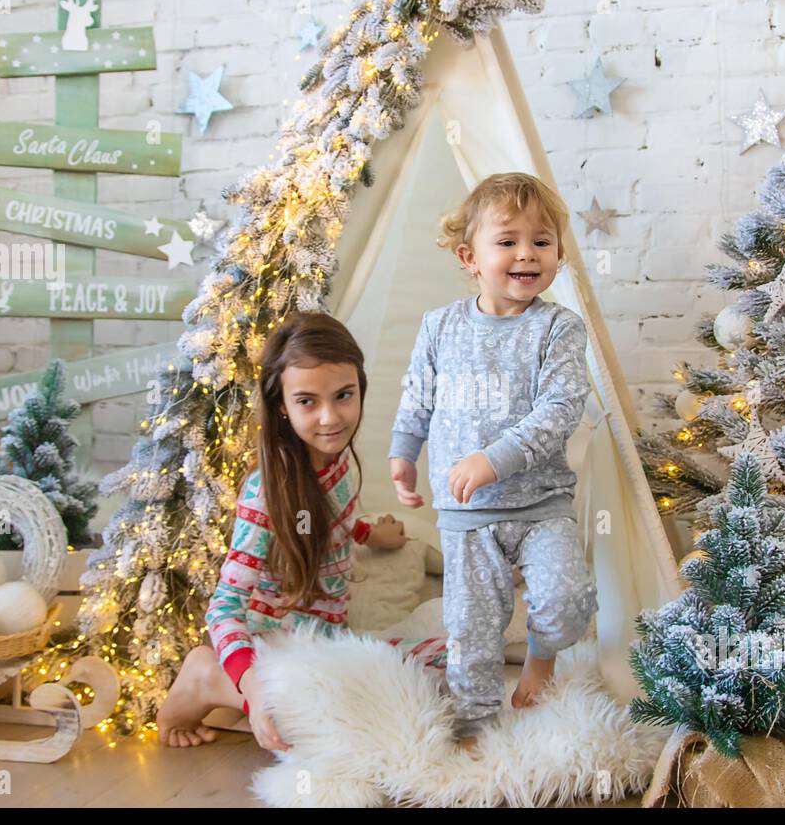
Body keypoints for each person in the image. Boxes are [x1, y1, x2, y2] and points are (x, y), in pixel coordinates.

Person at [157, 312, 446, 749]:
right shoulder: (265, 495)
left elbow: (334, 516)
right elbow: (224, 607)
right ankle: (206, 678)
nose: (331, 418)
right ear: (281, 406)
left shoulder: (341, 461)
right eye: (307, 401)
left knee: (440, 670)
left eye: (344, 396)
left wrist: (369, 534)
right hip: (273, 647)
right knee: (331, 732)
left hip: (327, 635)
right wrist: (251, 685)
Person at [390, 171, 599, 752]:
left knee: (566, 599)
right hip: (467, 514)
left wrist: (494, 458)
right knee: (471, 629)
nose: (526, 253)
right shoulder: (440, 327)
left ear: (557, 254)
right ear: (470, 257)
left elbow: (561, 408)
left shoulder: (558, 328)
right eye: (507, 241)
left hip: (541, 504)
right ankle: (475, 729)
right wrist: (403, 452)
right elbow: (418, 397)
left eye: (541, 241)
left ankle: (540, 659)